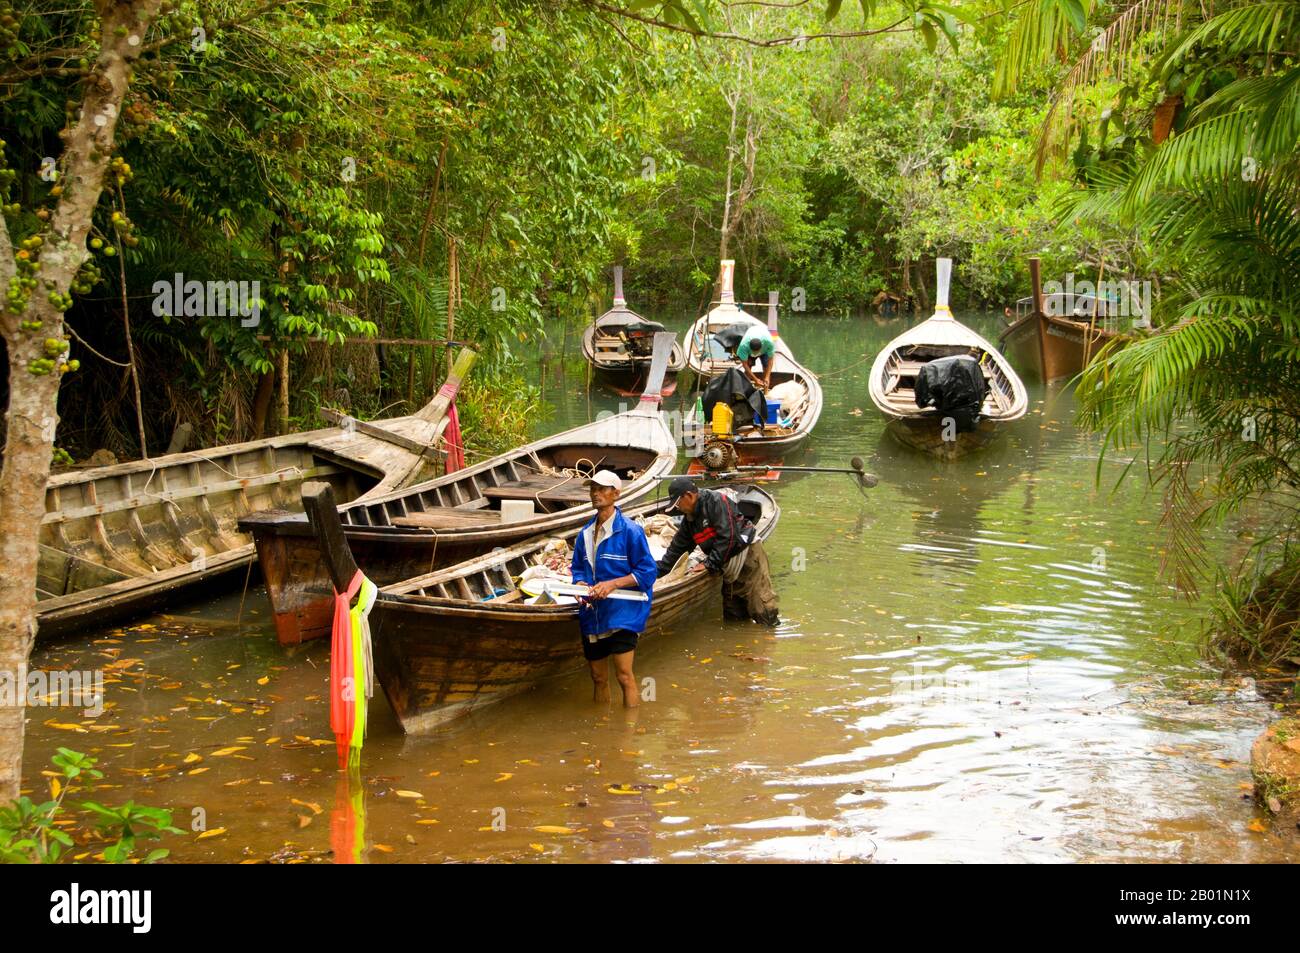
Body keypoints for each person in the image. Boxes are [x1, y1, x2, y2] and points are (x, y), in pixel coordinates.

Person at [570, 470, 658, 708]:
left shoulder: (630, 531)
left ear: (616, 494)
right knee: (598, 678)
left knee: (624, 676)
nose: (595, 494)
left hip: (623, 611)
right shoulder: (585, 534)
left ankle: (628, 733)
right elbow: (578, 568)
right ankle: (603, 730)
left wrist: (613, 584)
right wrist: (578, 584)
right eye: (593, 489)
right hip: (593, 612)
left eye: (602, 489)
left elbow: (648, 572)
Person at [654, 477, 779, 625]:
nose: (677, 508)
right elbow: (676, 550)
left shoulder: (716, 501)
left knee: (762, 607)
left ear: (689, 495)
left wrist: (709, 564)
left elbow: (728, 537)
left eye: (678, 503)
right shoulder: (689, 520)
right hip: (725, 563)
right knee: (733, 616)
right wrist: (654, 573)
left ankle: (769, 640)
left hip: (747, 555)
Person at [734, 325, 775, 390]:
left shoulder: (769, 342)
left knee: (766, 366)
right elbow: (745, 364)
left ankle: (765, 389)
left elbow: (771, 360)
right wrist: (755, 379)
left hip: (764, 351)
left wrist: (767, 376)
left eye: (757, 352)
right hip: (749, 352)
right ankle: (745, 389)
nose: (756, 354)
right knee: (749, 366)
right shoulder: (743, 346)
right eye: (754, 352)